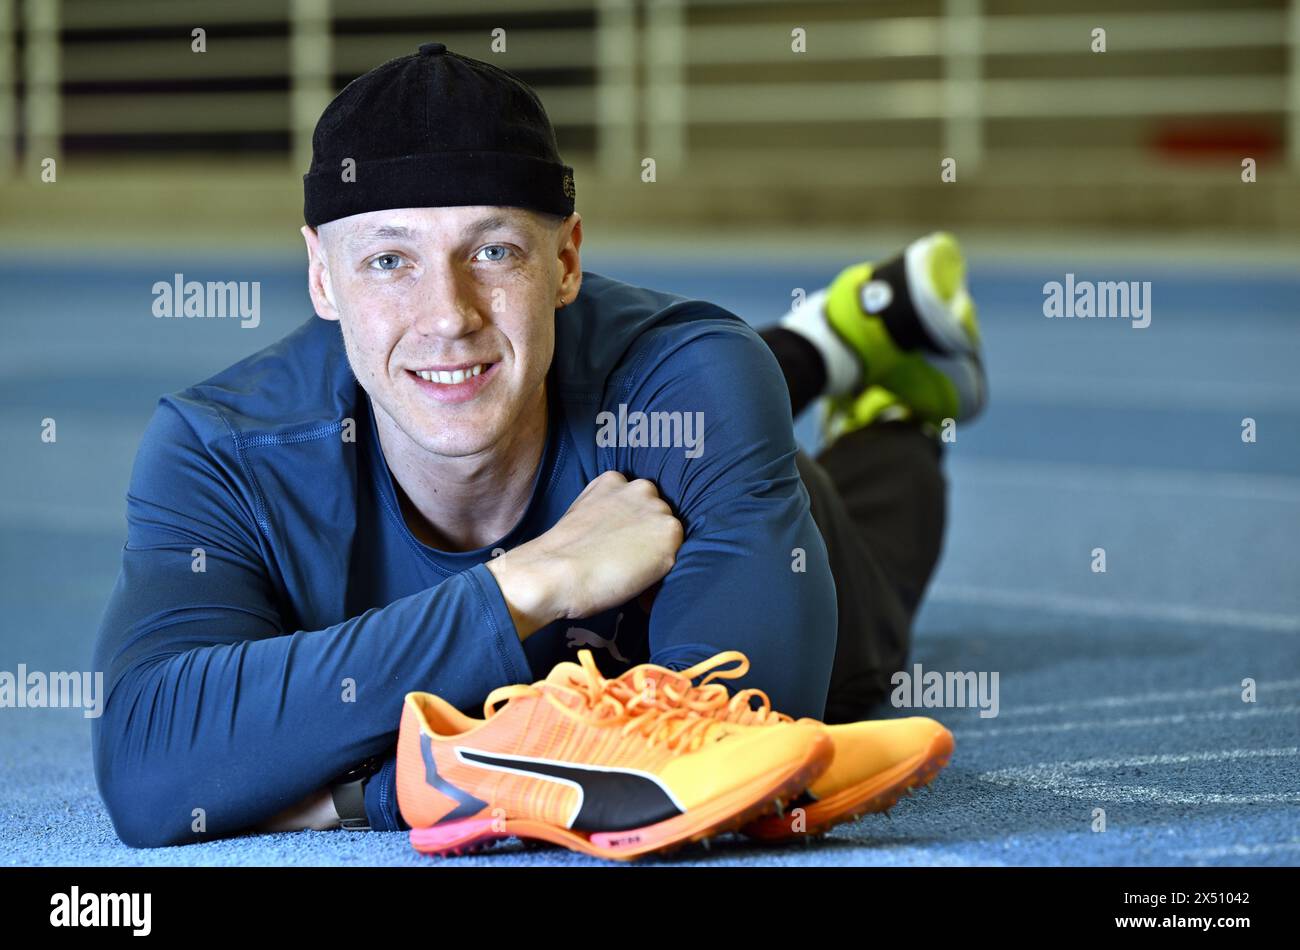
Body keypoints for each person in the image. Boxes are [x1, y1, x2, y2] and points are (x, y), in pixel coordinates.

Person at [91, 43, 985, 847]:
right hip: (589, 395)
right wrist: (525, 584)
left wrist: (377, 778)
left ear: (565, 262)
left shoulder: (694, 379)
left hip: (758, 483)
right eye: (389, 261)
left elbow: (726, 748)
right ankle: (829, 341)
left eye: (494, 252)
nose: (447, 313)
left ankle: (891, 412)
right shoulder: (219, 450)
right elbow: (147, 768)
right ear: (322, 276)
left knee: (853, 574)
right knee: (494, 370)